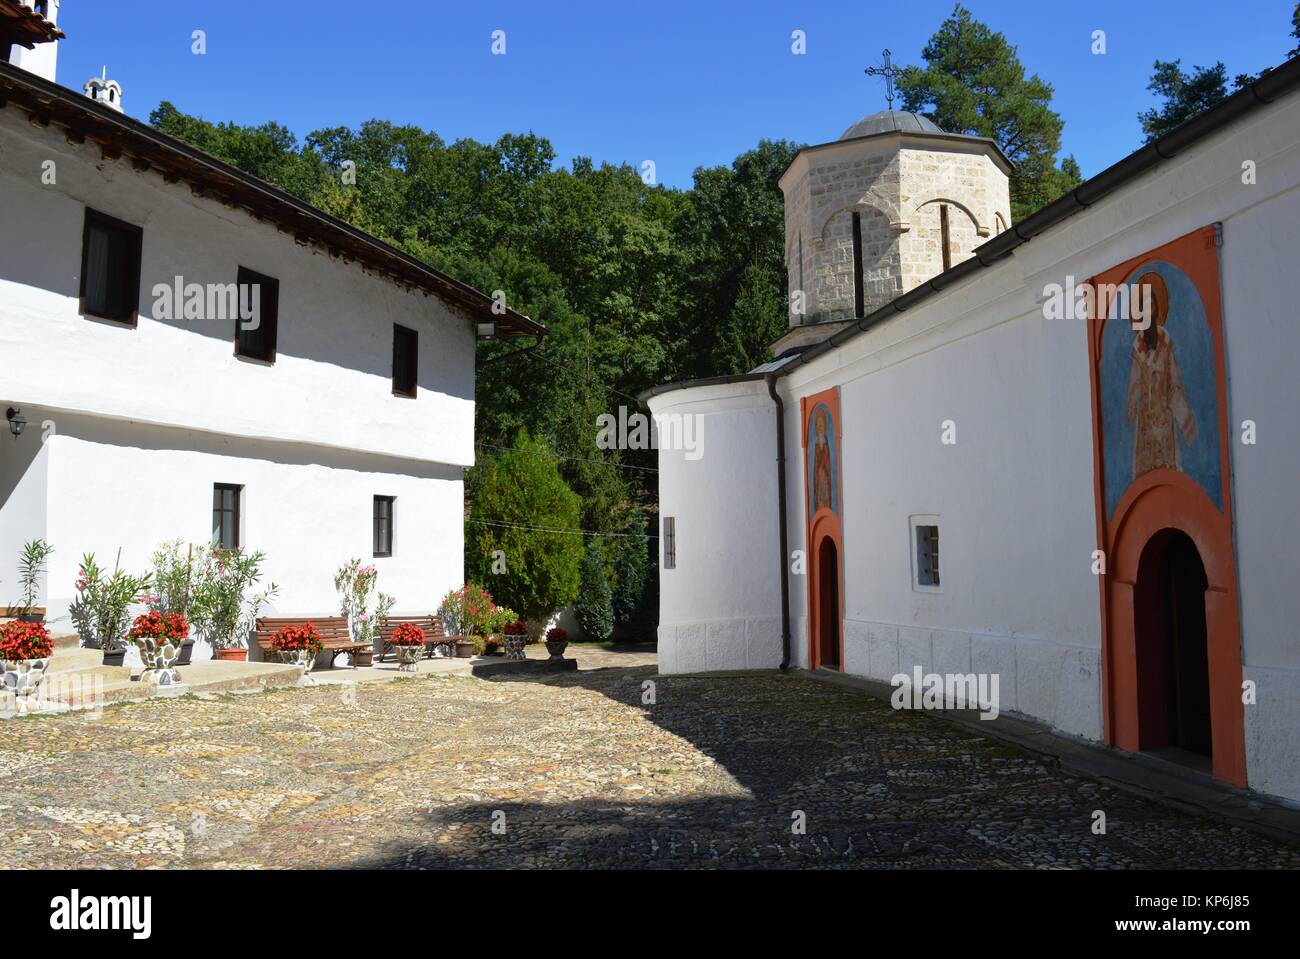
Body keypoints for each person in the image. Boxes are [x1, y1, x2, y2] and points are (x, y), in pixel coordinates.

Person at [1126, 271, 1197, 477]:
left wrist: (1184, 417)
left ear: (1157, 309)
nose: (1148, 311)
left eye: (1152, 305)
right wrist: (1133, 403)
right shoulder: (1138, 346)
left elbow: (1174, 382)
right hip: (1146, 424)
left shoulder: (1166, 342)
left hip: (1165, 419)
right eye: (1144, 307)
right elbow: (1135, 383)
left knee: (1169, 474)